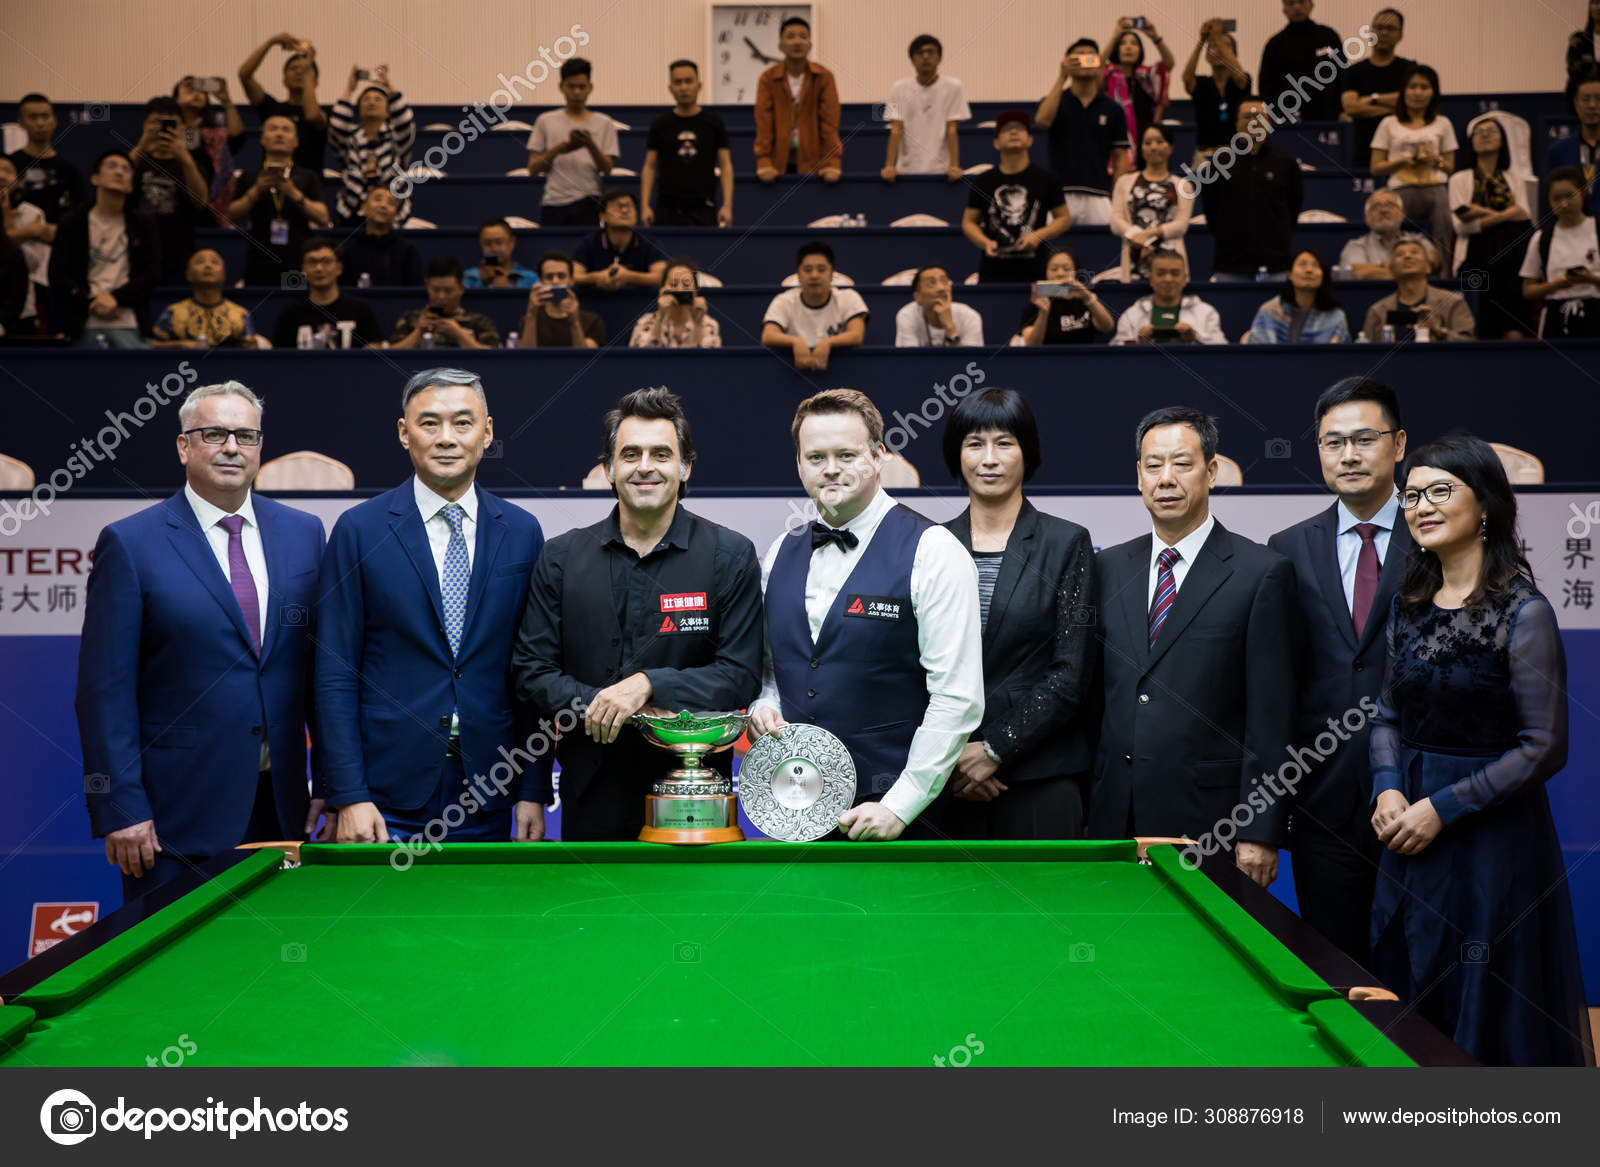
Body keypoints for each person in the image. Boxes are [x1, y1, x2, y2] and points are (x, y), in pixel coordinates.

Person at [1370, 435, 1594, 1067]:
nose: (1421, 506)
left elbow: (1544, 746)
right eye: (1412, 495)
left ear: (1487, 505)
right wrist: (1388, 786)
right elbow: (1386, 715)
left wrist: (1441, 807)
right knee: (1407, 979)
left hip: (1489, 837)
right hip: (1406, 827)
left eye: (1441, 490)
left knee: (1488, 995)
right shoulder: (1407, 607)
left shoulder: (1524, 613)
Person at [76, 381, 325, 901]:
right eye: (214, 434)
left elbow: (319, 675)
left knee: (271, 968)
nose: (232, 447)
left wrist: (328, 782)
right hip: (172, 820)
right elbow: (104, 691)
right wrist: (122, 807)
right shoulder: (131, 542)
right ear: (183, 445)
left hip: (280, 806)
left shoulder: (304, 533)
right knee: (172, 975)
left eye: (246, 435)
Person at [511, 388, 764, 840]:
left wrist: (647, 684)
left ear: (685, 466)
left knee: (696, 911)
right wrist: (604, 706)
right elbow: (532, 671)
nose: (645, 465)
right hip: (590, 793)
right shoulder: (561, 556)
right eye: (630, 454)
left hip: (696, 796)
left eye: (661, 453)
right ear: (608, 468)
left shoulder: (731, 554)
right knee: (595, 911)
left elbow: (740, 676)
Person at [316, 368, 547, 845]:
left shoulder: (522, 532)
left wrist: (533, 788)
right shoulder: (359, 530)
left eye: (463, 423)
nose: (446, 438)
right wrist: (349, 794)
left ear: (487, 432)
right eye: (429, 423)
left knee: (483, 919)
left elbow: (532, 671)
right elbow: (334, 672)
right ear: (404, 433)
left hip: (493, 788)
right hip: (384, 797)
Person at [748, 389, 983, 841]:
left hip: (902, 819)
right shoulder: (779, 553)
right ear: (799, 464)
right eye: (816, 456)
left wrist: (901, 804)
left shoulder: (934, 551)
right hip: (795, 811)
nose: (831, 468)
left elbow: (958, 697)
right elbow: (773, 673)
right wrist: (765, 705)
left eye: (847, 454)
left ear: (879, 457)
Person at [1089, 407, 1296, 887]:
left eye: (1182, 463)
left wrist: (1259, 829)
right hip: (1114, 819)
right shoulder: (1109, 568)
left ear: (1212, 471)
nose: (1166, 479)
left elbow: (1272, 716)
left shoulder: (1261, 572)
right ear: (1137, 477)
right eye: (1153, 465)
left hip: (1213, 824)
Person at [1268, 377, 1409, 965]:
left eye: (1363, 439)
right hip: (1322, 804)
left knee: (1425, 979)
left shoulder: (1440, 538)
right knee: (1339, 974)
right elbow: (1276, 688)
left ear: (1398, 445)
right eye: (1332, 443)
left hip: (1421, 800)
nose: (1348, 455)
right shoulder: (1286, 549)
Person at [922, 389, 1095, 839]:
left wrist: (995, 748)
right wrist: (957, 755)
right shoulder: (930, 544)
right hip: (946, 781)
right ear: (956, 454)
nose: (989, 458)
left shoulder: (1067, 543)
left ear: (1027, 451)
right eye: (975, 443)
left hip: (1040, 778)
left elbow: (1071, 673)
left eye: (1005, 443)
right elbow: (909, 665)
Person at [48, 149, 160, 347]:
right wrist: (89, 301)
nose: (119, 172)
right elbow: (57, 273)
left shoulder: (143, 224)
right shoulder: (72, 222)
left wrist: (116, 298)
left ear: (131, 185)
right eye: (112, 166)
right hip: (82, 323)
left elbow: (152, 273)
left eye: (126, 169)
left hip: (130, 322)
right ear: (95, 178)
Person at [962, 110, 1070, 283]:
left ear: (1030, 140)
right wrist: (984, 242)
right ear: (996, 143)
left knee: (1046, 304)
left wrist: (1038, 235)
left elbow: (1064, 219)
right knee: (992, 308)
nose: (1013, 132)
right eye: (1006, 129)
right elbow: (968, 222)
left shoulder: (1048, 179)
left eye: (1020, 128)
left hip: (1038, 271)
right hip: (992, 271)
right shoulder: (983, 180)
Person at [1450, 116, 1534, 338]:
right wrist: (1505, 214)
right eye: (1479, 131)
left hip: (1512, 251)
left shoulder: (1514, 178)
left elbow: (1524, 215)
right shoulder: (1459, 179)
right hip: (1476, 252)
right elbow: (1461, 226)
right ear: (1471, 142)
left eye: (1491, 131)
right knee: (1485, 314)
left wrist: (1479, 211)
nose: (1485, 134)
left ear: (1503, 141)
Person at [1203, 98, 1303, 281]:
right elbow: (1211, 213)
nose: (1253, 122)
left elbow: (1293, 209)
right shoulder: (1218, 164)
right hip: (1230, 266)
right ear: (1236, 123)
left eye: (1259, 116)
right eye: (1247, 116)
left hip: (1276, 266)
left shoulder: (1286, 164)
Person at [226, 114, 331, 287]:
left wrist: (293, 193)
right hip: (259, 258)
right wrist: (256, 190)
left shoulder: (308, 176)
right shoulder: (249, 177)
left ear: (296, 141)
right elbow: (231, 216)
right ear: (262, 139)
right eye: (273, 129)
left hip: (298, 258)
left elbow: (323, 217)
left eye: (286, 129)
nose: (279, 134)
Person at [1370, 65, 1457, 269]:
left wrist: (1435, 160)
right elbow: (1375, 167)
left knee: (1444, 223)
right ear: (1403, 91)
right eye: (1413, 87)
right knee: (1388, 225)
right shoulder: (1388, 123)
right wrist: (1401, 162)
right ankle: (1390, 271)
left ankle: (1443, 276)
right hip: (1399, 188)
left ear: (1433, 92)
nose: (1418, 93)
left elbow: (1451, 168)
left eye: (1424, 87)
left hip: (1435, 187)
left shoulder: (1443, 123)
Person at [1034, 39, 1130, 226]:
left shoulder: (1113, 109)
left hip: (1099, 195)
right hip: (1059, 196)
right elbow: (1042, 122)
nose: (1085, 60)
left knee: (1105, 246)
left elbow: (1120, 157)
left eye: (1091, 56)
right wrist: (1062, 77)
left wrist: (1118, 198)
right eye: (1078, 56)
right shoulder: (1055, 101)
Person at [127, 97, 214, 283]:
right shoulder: (136, 160)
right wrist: (142, 146)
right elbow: (115, 184)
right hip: (135, 254)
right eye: (155, 122)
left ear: (182, 127)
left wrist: (184, 156)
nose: (162, 128)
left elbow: (200, 202)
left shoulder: (191, 164)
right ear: (145, 125)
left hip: (178, 254)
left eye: (169, 123)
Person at [526, 58, 620, 226]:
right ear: (561, 87)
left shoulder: (604, 122)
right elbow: (533, 169)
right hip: (553, 202)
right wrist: (561, 148)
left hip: (589, 201)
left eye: (582, 87)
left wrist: (590, 145)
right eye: (571, 86)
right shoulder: (545, 120)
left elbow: (607, 170)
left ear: (590, 88)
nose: (576, 92)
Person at [642, 60, 734, 226]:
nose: (684, 87)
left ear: (699, 85)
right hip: (666, 208)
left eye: (688, 81)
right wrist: (645, 206)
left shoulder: (714, 123)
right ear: (670, 88)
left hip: (703, 208)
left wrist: (727, 205)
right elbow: (649, 166)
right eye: (678, 82)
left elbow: (725, 165)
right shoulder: (660, 124)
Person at [754, 16, 842, 182]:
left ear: (810, 45)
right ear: (780, 45)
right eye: (790, 36)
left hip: (815, 162)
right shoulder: (768, 78)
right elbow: (764, 123)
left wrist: (832, 163)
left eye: (803, 36)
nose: (797, 42)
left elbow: (830, 123)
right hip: (777, 163)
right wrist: (764, 161)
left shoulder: (823, 77)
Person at [1518, 165, 1600, 338]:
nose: (1564, 204)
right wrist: (1557, 284)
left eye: (1570, 196)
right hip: (1555, 315)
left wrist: (1591, 279)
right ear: (1548, 200)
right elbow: (1528, 290)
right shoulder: (1541, 238)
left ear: (1583, 194)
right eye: (1556, 198)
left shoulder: (1597, 229)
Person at [760, 240, 868, 371]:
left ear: (832, 274)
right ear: (798, 275)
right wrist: (796, 342)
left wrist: (828, 342)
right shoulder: (783, 300)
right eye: (807, 270)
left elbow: (856, 334)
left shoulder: (849, 297)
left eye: (821, 270)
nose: (814, 275)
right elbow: (768, 335)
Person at [329, 65, 416, 225]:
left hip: (392, 214)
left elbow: (405, 121)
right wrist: (350, 89)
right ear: (358, 108)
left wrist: (389, 86)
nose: (371, 102)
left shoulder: (397, 139)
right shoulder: (350, 139)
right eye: (366, 99)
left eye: (378, 99)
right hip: (351, 212)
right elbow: (336, 126)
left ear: (388, 110)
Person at [1110, 124, 1195, 281]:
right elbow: (1116, 221)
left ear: (1170, 147)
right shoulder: (1124, 182)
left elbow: (1181, 225)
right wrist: (1136, 236)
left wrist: (1149, 234)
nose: (1153, 147)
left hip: (1170, 259)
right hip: (1134, 258)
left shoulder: (1183, 185)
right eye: (1148, 143)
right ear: (1141, 148)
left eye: (1159, 142)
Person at [881, 34, 970, 182]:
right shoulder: (898, 88)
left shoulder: (954, 86)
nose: (926, 56)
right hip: (906, 170)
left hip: (941, 171)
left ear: (940, 58)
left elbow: (952, 129)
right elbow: (896, 129)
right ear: (912, 60)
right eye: (920, 53)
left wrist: (954, 165)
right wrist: (889, 166)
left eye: (931, 52)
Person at [238, 32, 328, 173]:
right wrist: (271, 42)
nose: (299, 72)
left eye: (304, 70)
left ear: (315, 81)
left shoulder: (323, 114)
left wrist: (308, 71)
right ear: (283, 79)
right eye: (293, 69)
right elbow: (244, 75)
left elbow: (311, 116)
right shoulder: (271, 108)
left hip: (308, 189)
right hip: (270, 183)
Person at [271, 237, 383, 349]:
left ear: (339, 268)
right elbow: (280, 361)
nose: (319, 268)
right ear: (303, 269)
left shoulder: (361, 310)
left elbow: (374, 352)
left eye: (327, 262)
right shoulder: (290, 314)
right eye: (312, 262)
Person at [1361, 238, 1476, 340]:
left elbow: (1468, 344)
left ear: (1428, 267)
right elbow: (1367, 353)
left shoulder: (1452, 302)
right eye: (1400, 254)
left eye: (1415, 252)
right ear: (1391, 271)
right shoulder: (1377, 311)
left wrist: (1438, 331)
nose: (1407, 256)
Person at [1340, 9, 1414, 163]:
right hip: (1363, 151)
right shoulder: (1354, 71)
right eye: (1379, 27)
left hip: (1402, 152)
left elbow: (1410, 100)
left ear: (1401, 35)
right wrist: (1392, 108)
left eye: (1390, 29)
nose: (1384, 33)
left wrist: (1372, 99)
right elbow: (1351, 107)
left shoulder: (1409, 69)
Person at [152, 248, 264, 349]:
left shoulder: (241, 314)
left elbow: (250, 347)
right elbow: (151, 345)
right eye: (200, 262)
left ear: (224, 274)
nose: (208, 266)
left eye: (215, 262)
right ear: (188, 274)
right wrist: (178, 345)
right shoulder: (172, 312)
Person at [170, 74, 248, 219]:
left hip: (209, 206)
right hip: (174, 202)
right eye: (189, 87)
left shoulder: (214, 134)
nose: (196, 93)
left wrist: (226, 100)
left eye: (200, 90)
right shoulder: (169, 131)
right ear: (175, 97)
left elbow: (237, 139)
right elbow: (188, 148)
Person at [1111, 250, 1226, 344]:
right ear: (1151, 279)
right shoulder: (1131, 315)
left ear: (1185, 279)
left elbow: (1221, 351)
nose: (1168, 279)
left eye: (1175, 273)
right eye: (1161, 273)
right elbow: (1116, 354)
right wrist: (1138, 342)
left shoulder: (1206, 313)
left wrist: (1195, 337)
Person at [1101, 17, 1175, 159]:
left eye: (1134, 43)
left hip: (1145, 147)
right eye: (1123, 43)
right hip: (1116, 148)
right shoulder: (1108, 75)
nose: (1128, 47)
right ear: (1116, 48)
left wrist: (1155, 37)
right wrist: (1115, 35)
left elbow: (1169, 64)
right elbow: (1095, 68)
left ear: (1140, 50)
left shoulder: (1145, 77)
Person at [1259, 0, 1344, 121]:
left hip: (1329, 116)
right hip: (1287, 118)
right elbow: (1265, 86)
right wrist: (1275, 115)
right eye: (1291, 3)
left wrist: (1342, 111)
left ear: (1311, 5)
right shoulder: (1275, 44)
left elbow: (1343, 74)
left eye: (1301, 2)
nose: (1297, 7)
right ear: (1284, 9)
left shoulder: (1328, 36)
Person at [8, 94, 87, 224]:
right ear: (21, 122)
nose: (40, 123)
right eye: (33, 117)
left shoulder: (69, 170)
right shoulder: (11, 165)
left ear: (54, 121)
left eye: (45, 116)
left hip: (59, 240)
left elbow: (80, 213)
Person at [389, 257, 499, 349]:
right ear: (427, 286)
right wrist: (418, 332)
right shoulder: (410, 319)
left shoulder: (480, 322)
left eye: (448, 291)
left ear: (461, 288)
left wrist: (459, 334)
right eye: (436, 290)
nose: (441, 296)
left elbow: (493, 358)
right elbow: (390, 357)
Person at [1181, 22, 1251, 164]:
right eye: (1213, 47)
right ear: (1207, 56)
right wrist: (1202, 40)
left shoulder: (1241, 80)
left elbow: (1240, 78)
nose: (1218, 50)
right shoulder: (1201, 83)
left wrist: (1218, 38)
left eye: (1225, 46)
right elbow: (1187, 79)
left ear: (1234, 54)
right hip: (1205, 151)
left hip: (1236, 151)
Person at [1246, 250, 1351, 343]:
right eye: (1302, 264)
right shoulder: (1269, 311)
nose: (1309, 270)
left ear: (1323, 275)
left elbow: (1340, 359)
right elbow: (1259, 356)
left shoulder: (1336, 316)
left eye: (1315, 265)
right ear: (1289, 274)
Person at [572, 190, 666, 290]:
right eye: (617, 207)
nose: (624, 211)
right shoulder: (589, 242)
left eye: (629, 206)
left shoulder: (649, 242)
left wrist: (629, 276)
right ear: (603, 216)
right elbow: (573, 276)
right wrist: (596, 277)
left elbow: (662, 276)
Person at [1018, 248, 1115, 344]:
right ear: (1046, 272)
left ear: (1076, 272)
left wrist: (1088, 297)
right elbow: (1032, 344)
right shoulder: (1036, 305)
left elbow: (1107, 327)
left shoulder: (1085, 301)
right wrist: (1043, 313)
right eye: (1054, 269)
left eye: (1066, 269)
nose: (1060, 274)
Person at [0, 154, 51, 329]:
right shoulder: (31, 227)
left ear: (18, 180)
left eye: (7, 170)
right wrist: (25, 233)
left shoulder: (32, 214)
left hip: (23, 311)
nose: (1, 175)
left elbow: (32, 263)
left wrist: (8, 219)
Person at [1338, 189, 1437, 279]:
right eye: (1376, 207)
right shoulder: (1355, 246)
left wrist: (1380, 268)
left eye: (1390, 205)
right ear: (1366, 218)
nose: (1383, 210)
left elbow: (1431, 265)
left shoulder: (1419, 240)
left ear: (1402, 214)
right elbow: (1358, 273)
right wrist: (1407, 272)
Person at [515, 251, 606, 348]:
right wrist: (531, 315)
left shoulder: (592, 321)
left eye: (561, 276)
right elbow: (526, 359)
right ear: (541, 281)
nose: (555, 281)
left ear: (571, 280)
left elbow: (586, 359)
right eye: (549, 277)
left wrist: (574, 322)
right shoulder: (529, 320)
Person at [337, 187, 422, 286]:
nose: (383, 205)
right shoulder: (348, 251)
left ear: (396, 213)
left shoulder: (408, 251)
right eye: (378, 199)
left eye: (390, 203)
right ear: (363, 208)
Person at [629, 258, 721, 347]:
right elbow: (641, 360)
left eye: (686, 284)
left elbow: (707, 361)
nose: (680, 289)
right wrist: (660, 319)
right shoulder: (646, 322)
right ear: (662, 289)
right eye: (673, 284)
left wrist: (697, 325)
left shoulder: (708, 324)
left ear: (695, 291)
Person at [1547, 73, 1600, 218]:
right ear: (1576, 104)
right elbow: (1547, 204)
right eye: (1585, 99)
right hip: (1570, 230)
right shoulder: (1558, 151)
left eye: (1598, 99)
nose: (1592, 105)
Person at [894, 264, 983, 347]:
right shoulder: (907, 315)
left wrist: (950, 328)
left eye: (944, 281)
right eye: (931, 283)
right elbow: (908, 361)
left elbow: (971, 361)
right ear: (917, 297)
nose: (941, 288)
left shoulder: (969, 316)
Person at [463, 218, 537, 288]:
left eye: (499, 242)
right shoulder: (467, 278)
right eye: (487, 243)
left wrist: (506, 287)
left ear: (512, 242)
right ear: (481, 244)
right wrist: (484, 283)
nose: (494, 249)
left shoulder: (530, 279)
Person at [1566, 0, 1600, 95]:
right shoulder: (1578, 39)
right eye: (1595, 3)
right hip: (1583, 95)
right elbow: (1572, 68)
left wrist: (1590, 63)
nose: (1599, 7)